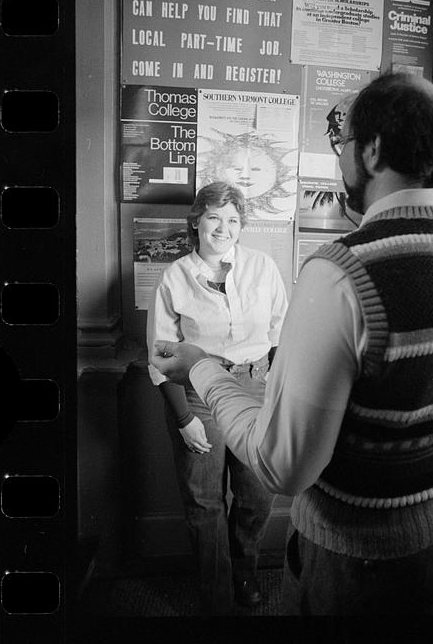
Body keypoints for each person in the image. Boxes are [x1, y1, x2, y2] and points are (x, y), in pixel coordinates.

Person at [151, 73, 433, 616]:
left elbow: (283, 468)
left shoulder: (340, 274)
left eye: (344, 143)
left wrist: (203, 369)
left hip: (360, 562)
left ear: (372, 150)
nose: (341, 158)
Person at [146, 181, 288, 614]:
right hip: (198, 394)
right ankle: (217, 593)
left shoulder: (263, 268)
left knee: (256, 495)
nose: (222, 228)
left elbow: (281, 336)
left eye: (232, 219)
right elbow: (160, 356)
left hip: (257, 388)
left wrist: (277, 398)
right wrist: (184, 417)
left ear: (241, 226)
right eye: (213, 217)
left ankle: (243, 573)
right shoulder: (175, 277)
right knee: (205, 502)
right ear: (196, 221)